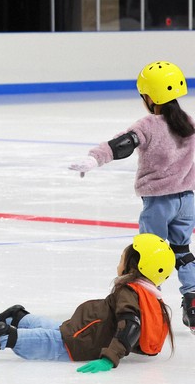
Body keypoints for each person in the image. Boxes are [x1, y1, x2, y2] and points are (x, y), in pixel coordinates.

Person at [0, 234, 176, 373]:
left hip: (68, 345)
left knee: (3, 335)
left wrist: (110, 358)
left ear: (136, 265)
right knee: (16, 315)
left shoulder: (130, 292)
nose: (118, 261)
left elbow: (131, 327)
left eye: (122, 258)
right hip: (71, 331)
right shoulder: (146, 295)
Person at [69, 61, 195, 333]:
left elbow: (124, 144)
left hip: (159, 202)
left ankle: (147, 308)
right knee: (182, 252)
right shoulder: (187, 122)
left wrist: (95, 158)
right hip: (187, 201)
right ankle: (193, 303)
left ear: (149, 97)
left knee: (148, 257)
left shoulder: (149, 125)